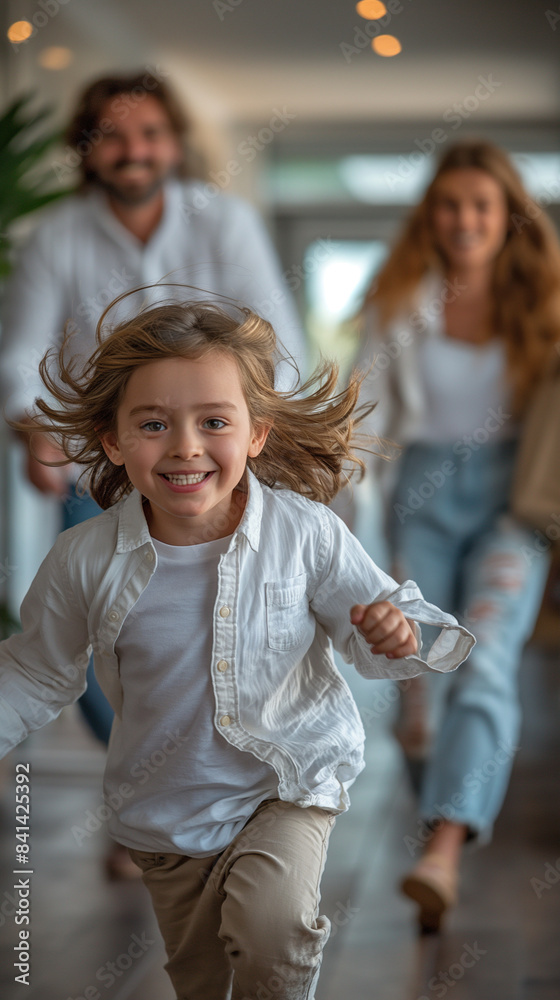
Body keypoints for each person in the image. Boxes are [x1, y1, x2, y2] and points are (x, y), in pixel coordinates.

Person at [0, 292, 474, 998]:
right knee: (205, 983)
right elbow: (34, 674)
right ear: (113, 441)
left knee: (272, 936)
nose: (186, 446)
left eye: (213, 422)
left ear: (256, 433)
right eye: (153, 424)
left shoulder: (305, 533)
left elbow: (376, 629)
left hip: (285, 787)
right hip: (167, 817)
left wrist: (396, 633)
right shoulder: (84, 560)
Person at [0, 70, 305, 873]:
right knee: (111, 640)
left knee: (203, 629)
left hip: (209, 463)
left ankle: (207, 805)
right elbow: (16, 353)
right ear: (87, 147)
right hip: (100, 463)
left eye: (149, 133)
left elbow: (273, 332)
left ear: (172, 143)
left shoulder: (224, 221)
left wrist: (273, 438)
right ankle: (148, 805)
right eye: (113, 133)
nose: (133, 150)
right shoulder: (56, 236)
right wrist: (35, 431)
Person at [354, 140, 560, 931]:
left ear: (509, 216)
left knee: (486, 655)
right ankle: (442, 806)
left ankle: (441, 847)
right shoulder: (401, 296)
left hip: (517, 499)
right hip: (424, 499)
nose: (465, 219)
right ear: (430, 215)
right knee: (417, 679)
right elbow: (367, 414)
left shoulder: (542, 299)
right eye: (450, 204)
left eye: (482, 204)